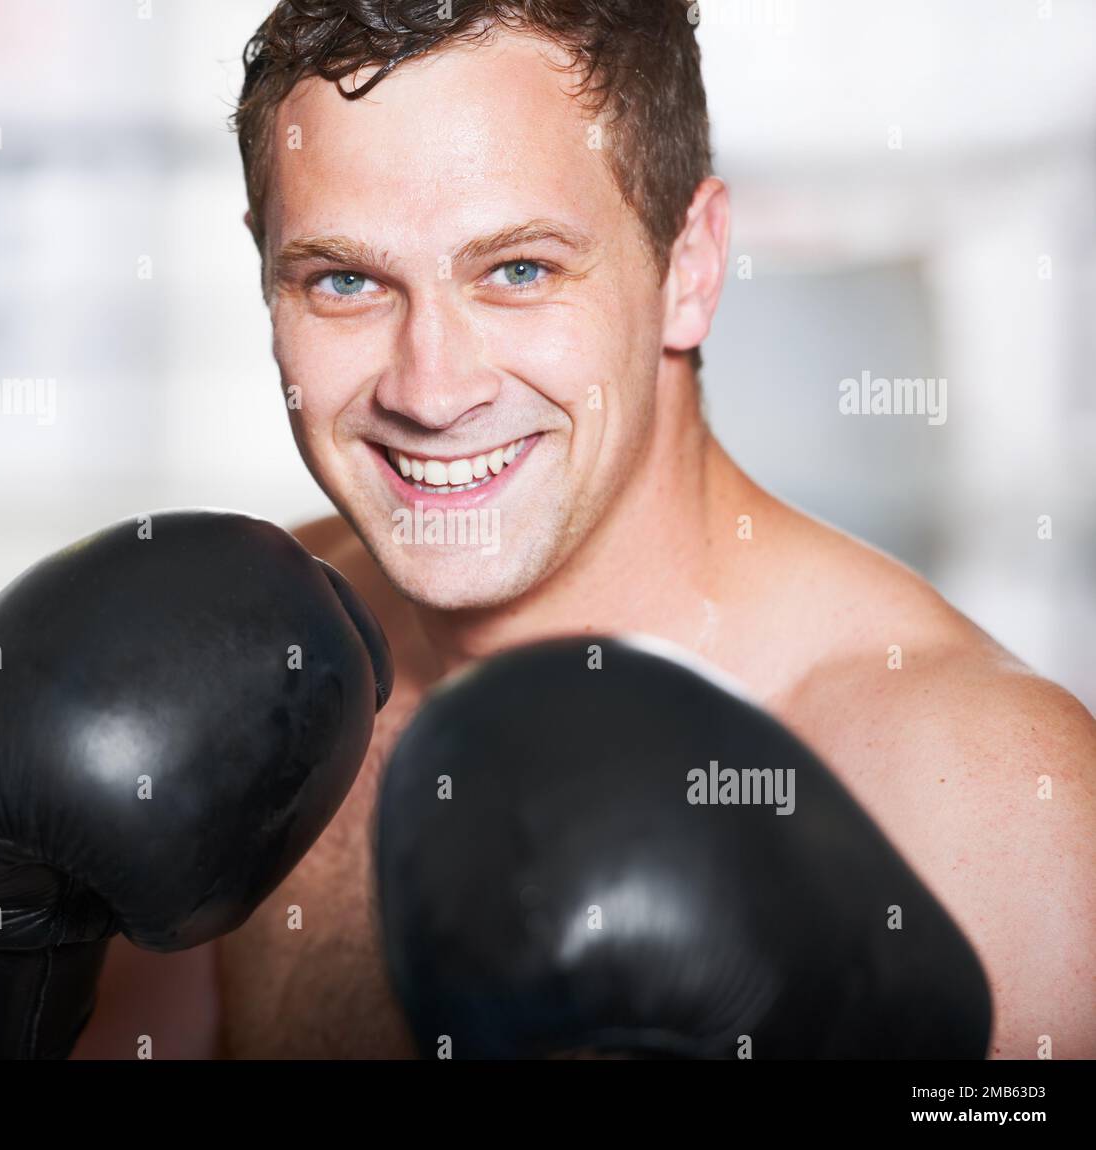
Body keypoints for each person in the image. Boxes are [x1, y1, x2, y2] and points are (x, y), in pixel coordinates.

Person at [72, 0, 1089, 1058]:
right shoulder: (248, 676)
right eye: (344, 280)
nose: (431, 389)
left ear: (688, 268)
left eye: (519, 270)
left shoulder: (984, 798)